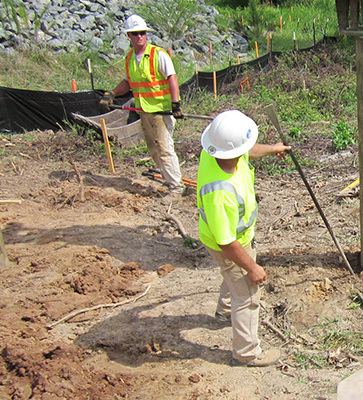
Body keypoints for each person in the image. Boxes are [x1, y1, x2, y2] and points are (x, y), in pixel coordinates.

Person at [197, 110, 290, 367]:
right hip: (228, 242)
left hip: (234, 236)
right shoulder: (220, 192)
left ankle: (225, 311)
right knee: (248, 293)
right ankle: (247, 353)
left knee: (233, 277)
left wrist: (271, 149)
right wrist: (252, 266)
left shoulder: (213, 152)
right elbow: (226, 243)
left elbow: (245, 149)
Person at [99, 14, 185, 201]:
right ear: (129, 36)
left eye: (143, 33)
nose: (140, 36)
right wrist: (112, 93)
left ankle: (176, 188)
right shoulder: (130, 58)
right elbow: (127, 82)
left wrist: (176, 103)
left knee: (164, 148)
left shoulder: (157, 55)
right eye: (135, 33)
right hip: (143, 111)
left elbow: (172, 77)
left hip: (160, 111)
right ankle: (168, 178)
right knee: (154, 149)